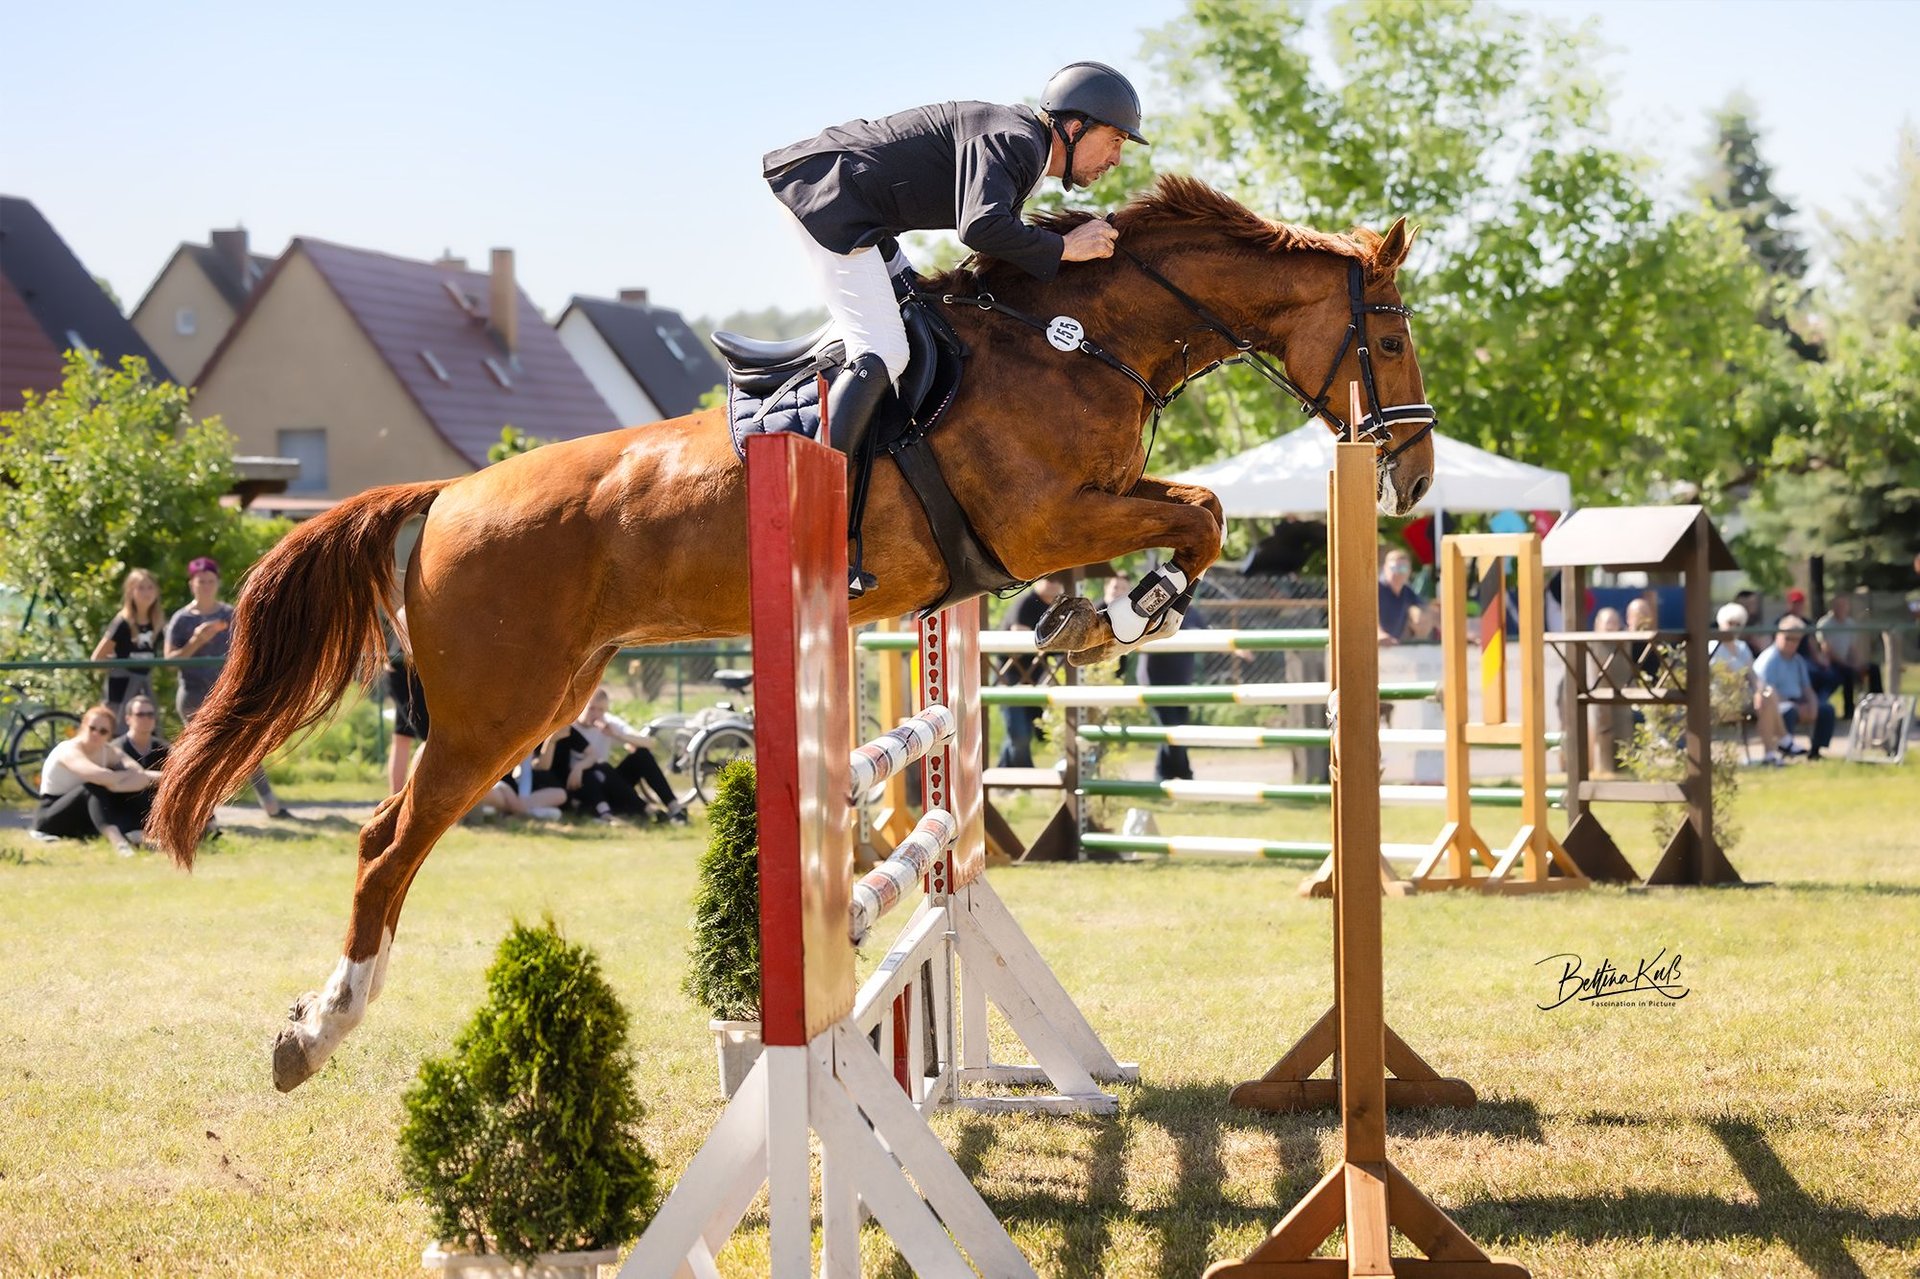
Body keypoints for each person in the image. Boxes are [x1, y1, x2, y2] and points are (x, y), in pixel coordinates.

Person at [765, 62, 1148, 595]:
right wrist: (1066, 247)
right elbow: (982, 227)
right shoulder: (1018, 141)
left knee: (921, 319)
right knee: (882, 351)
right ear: (1075, 126)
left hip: (857, 209)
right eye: (1114, 140)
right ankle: (810, 521)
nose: (1116, 158)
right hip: (830, 199)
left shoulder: (1022, 145)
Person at [165, 555, 295, 819]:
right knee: (200, 755)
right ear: (192, 584)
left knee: (246, 748)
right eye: (200, 581)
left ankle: (271, 805)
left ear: (217, 582)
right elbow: (169, 662)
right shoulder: (181, 620)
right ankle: (200, 813)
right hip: (193, 695)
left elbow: (249, 649)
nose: (205, 586)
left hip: (227, 695)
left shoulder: (230, 614)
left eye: (210, 581)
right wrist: (197, 641)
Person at [30, 705, 160, 854]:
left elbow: (139, 775)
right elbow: (97, 776)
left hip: (85, 813)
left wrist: (116, 785)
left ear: (109, 735)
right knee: (93, 788)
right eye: (92, 728)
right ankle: (119, 842)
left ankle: (148, 833)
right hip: (52, 815)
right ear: (83, 726)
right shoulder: (68, 749)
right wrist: (119, 779)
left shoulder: (108, 751)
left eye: (103, 731)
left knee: (131, 794)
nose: (96, 734)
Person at [574, 687, 687, 824]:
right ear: (582, 705)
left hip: (608, 781)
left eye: (601, 710)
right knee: (600, 766)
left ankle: (674, 807)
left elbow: (649, 743)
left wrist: (617, 736)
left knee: (641, 754)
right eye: (592, 709)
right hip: (582, 783)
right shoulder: (570, 725)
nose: (596, 714)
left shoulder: (609, 723)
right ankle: (647, 809)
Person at [1140, 600, 1217, 782]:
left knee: (1177, 728)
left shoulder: (1193, 614)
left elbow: (1208, 636)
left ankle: (1168, 773)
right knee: (1170, 728)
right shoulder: (1159, 611)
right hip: (1157, 682)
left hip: (1183, 683)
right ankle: (1177, 773)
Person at [996, 576, 1065, 768]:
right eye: (1050, 579)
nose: (1055, 583)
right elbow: (1019, 647)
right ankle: (1022, 779)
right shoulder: (1025, 604)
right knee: (1019, 735)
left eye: (1058, 579)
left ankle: (1006, 780)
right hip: (1010, 679)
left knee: (1021, 735)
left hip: (1036, 680)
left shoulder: (1057, 608)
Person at [1710, 603, 1787, 766]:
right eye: (1730, 623)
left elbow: (1752, 675)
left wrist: (1758, 692)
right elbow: (1729, 677)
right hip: (1723, 699)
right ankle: (1783, 740)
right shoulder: (1713, 648)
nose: (1734, 628)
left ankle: (1771, 751)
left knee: (1767, 695)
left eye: (1738, 624)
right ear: (1721, 624)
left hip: (1746, 696)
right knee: (1767, 699)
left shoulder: (1742, 647)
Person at [1752, 616, 1835, 760]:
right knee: (1789, 710)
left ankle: (1816, 750)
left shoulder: (1798, 660)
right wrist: (1797, 706)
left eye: (1796, 639)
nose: (1791, 643)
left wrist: (1813, 705)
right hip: (1775, 704)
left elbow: (1807, 688)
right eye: (1788, 638)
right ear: (1778, 635)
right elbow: (1766, 691)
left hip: (1798, 701)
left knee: (1826, 709)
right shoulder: (1769, 660)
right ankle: (1785, 749)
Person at [92, 568, 166, 728]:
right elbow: (97, 658)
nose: (147, 592)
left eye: (150, 587)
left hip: (144, 687)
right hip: (121, 687)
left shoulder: (158, 621)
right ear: (131, 592)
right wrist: (118, 665)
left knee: (149, 730)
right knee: (117, 730)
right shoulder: (122, 622)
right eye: (141, 587)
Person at [110, 693, 171, 831]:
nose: (146, 719)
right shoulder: (116, 749)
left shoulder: (164, 749)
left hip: (158, 806)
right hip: (126, 807)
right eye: (140, 714)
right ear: (128, 719)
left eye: (150, 714)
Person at [1815, 592, 1881, 719]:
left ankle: (1878, 707)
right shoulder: (1825, 624)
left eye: (1844, 605)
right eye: (1839, 605)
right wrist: (1848, 665)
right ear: (1833, 606)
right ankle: (1849, 712)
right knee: (1848, 673)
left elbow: (1852, 648)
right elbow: (1827, 650)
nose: (1842, 608)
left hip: (1847, 661)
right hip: (1831, 664)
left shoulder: (1850, 624)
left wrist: (1858, 663)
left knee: (1873, 669)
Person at [385, 606, 427, 795]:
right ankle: (405, 799)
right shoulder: (414, 605)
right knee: (431, 740)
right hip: (407, 673)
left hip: (402, 671)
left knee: (402, 738)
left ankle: (396, 798)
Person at [1376, 550, 1423, 645]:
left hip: (1393, 649)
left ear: (1409, 571)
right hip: (1373, 647)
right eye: (1394, 568)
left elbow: (1424, 610)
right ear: (1385, 568)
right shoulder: (1376, 589)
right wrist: (1379, 634)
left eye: (1403, 569)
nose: (1398, 573)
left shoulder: (1407, 592)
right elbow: (1367, 616)